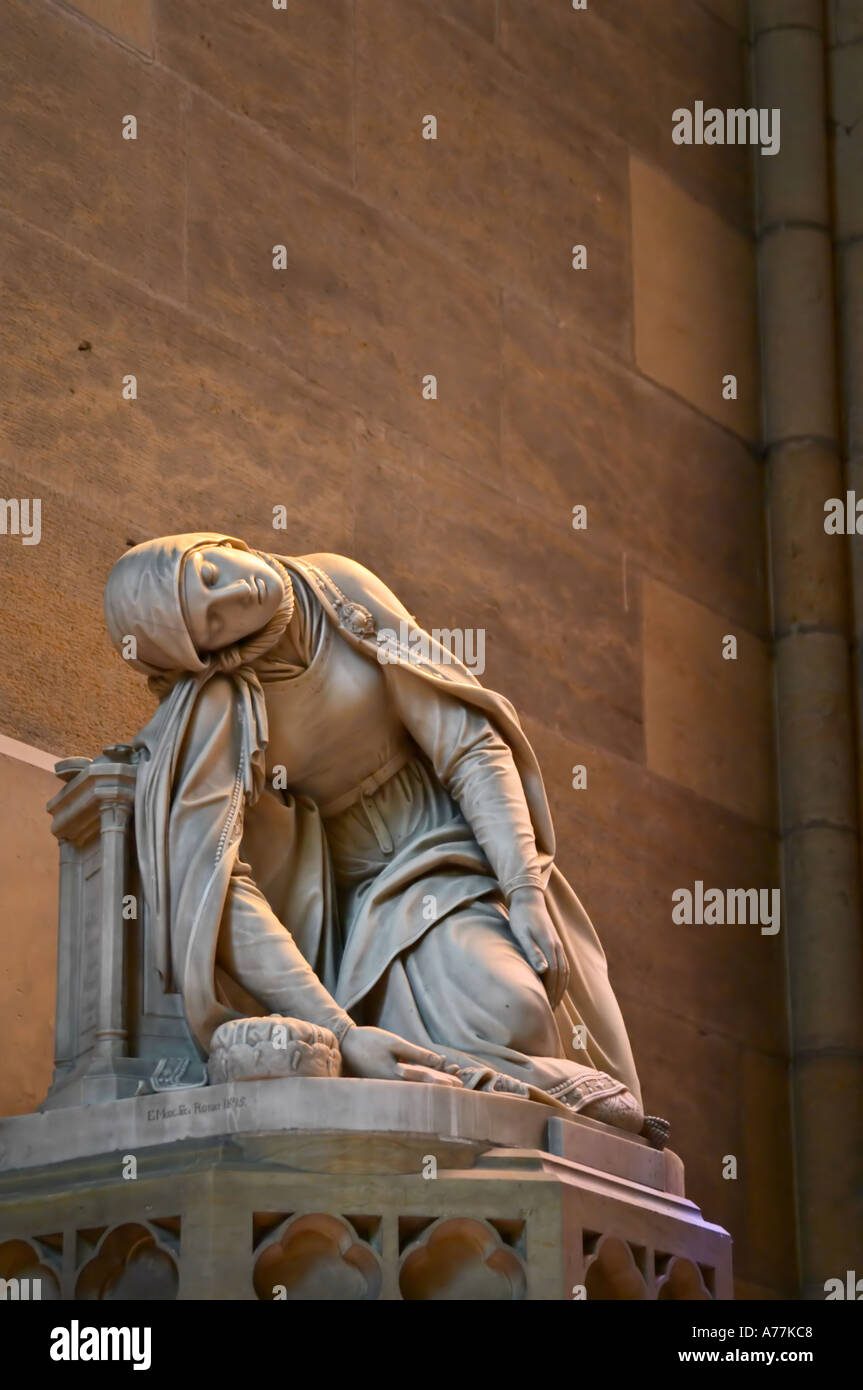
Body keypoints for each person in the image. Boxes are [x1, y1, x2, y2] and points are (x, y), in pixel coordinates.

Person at [104, 532, 655, 1138]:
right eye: (211, 620)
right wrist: (340, 1031)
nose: (236, 591)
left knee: (519, 1007)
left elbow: (468, 743)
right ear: (207, 655)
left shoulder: (339, 589)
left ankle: (537, 1100)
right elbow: (218, 887)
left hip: (457, 851)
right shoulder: (226, 703)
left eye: (209, 572)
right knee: (508, 1019)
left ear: (215, 543)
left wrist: (523, 888)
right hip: (364, 901)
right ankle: (521, 1101)